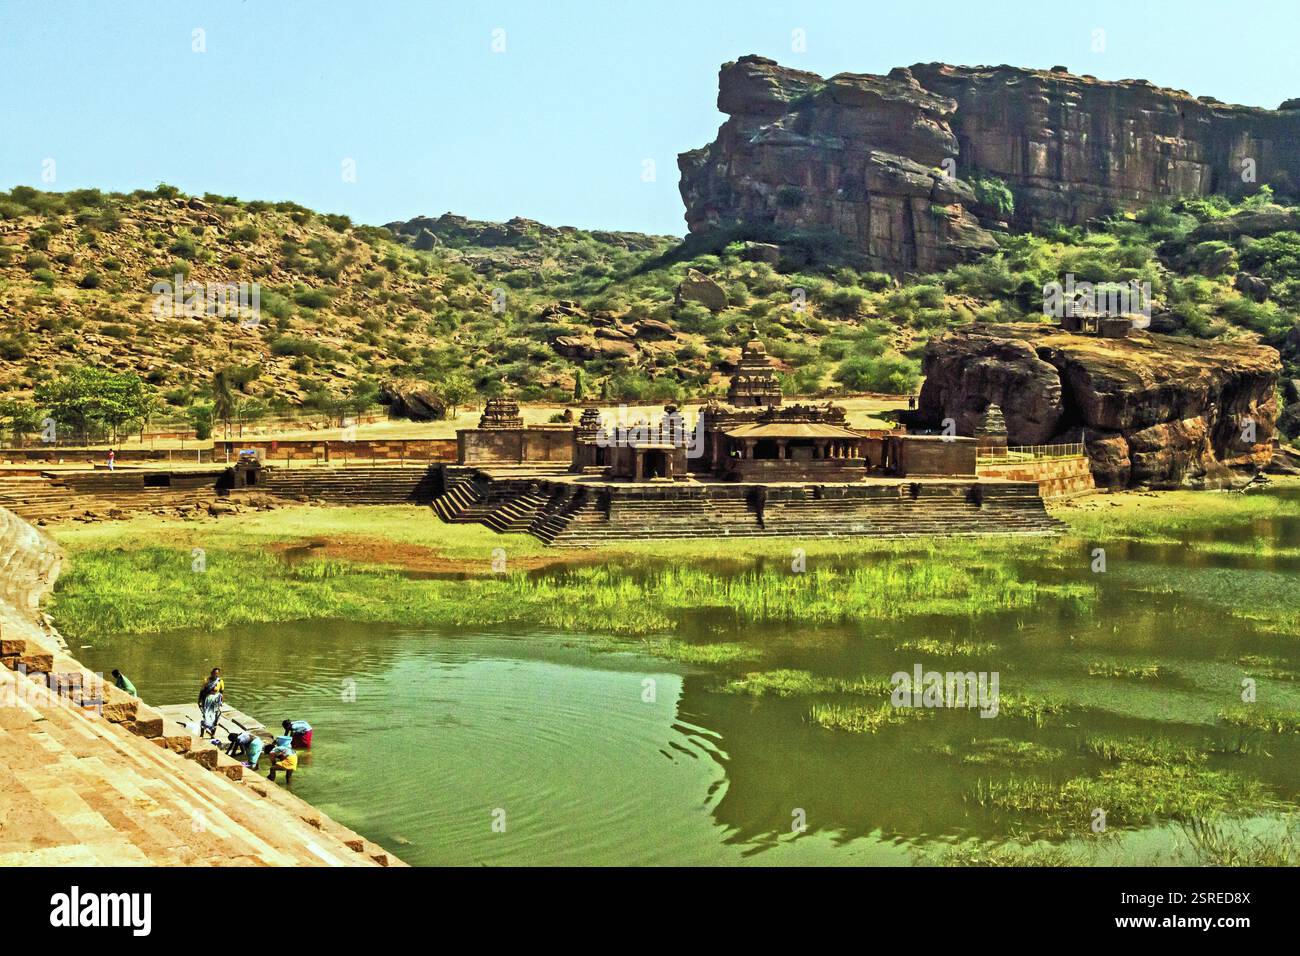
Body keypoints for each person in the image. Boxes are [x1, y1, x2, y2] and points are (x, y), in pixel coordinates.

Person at [197, 667, 224, 741]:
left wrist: (221, 702)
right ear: (211, 673)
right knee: (205, 716)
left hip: (215, 701)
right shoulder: (207, 680)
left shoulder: (220, 681)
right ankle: (202, 735)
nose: (215, 674)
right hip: (207, 700)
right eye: (214, 673)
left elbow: (221, 692)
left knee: (215, 718)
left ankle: (212, 735)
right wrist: (199, 701)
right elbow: (202, 691)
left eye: (217, 673)